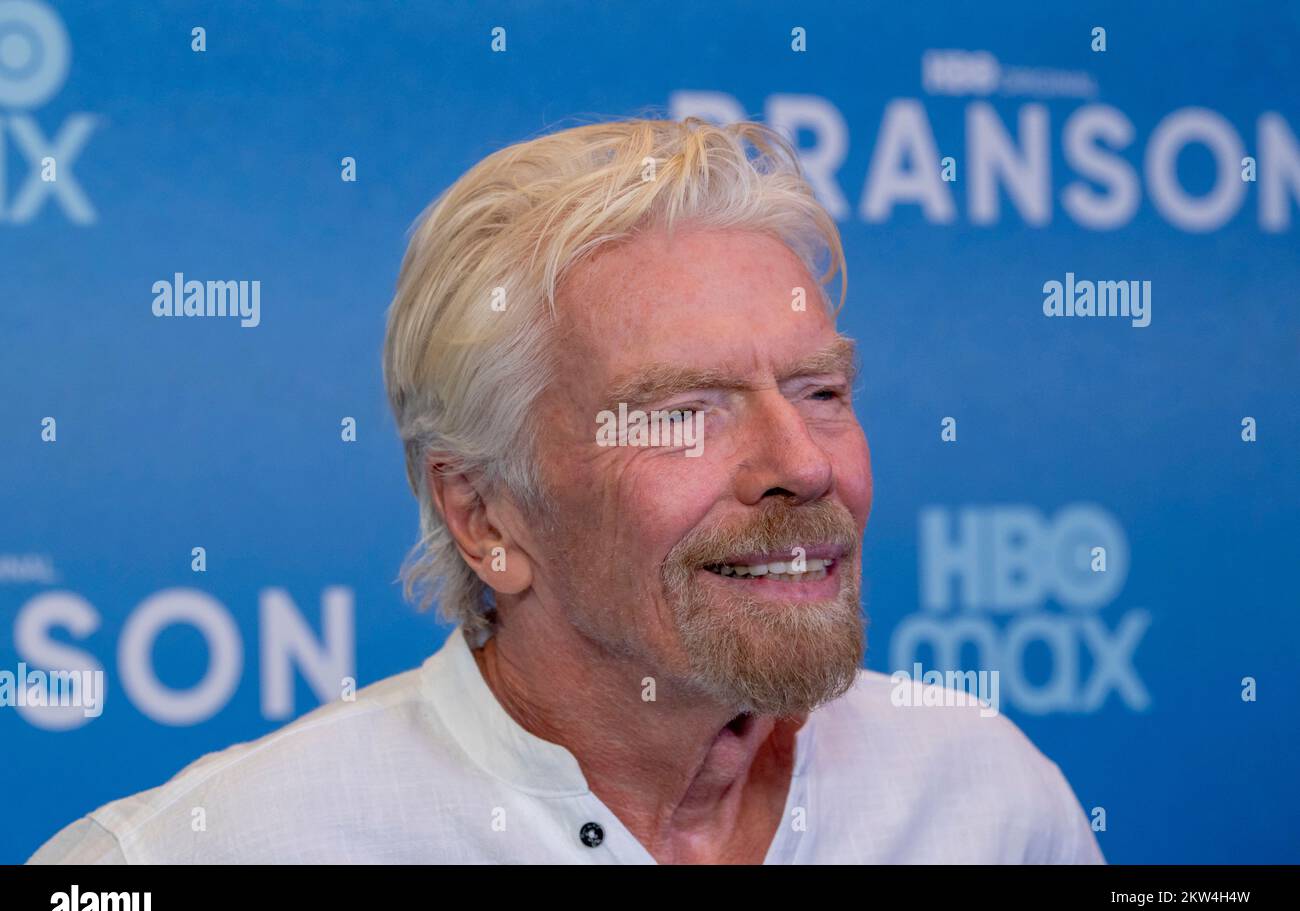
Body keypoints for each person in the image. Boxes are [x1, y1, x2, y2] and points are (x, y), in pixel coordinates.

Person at [28, 117, 1104, 864]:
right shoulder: (207, 855)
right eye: (684, 410)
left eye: (819, 389)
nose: (805, 463)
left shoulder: (984, 801)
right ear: (484, 514)